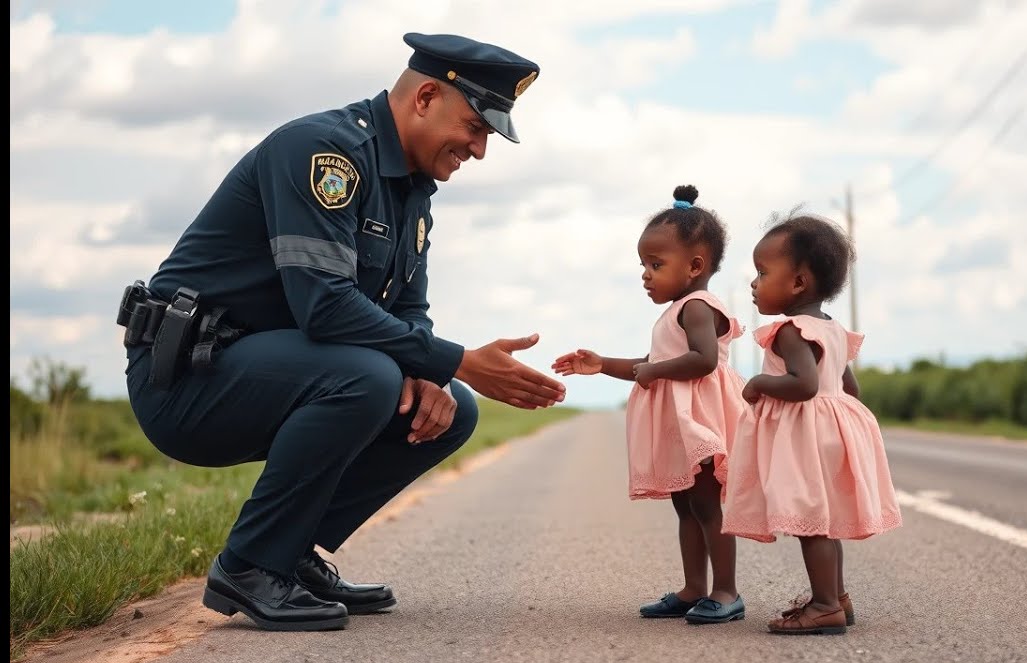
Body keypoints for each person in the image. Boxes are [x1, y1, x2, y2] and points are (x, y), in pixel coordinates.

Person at [116, 33, 566, 632]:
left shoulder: (411, 192)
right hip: (184, 382)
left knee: (450, 409)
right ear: (426, 96)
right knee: (370, 376)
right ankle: (249, 566)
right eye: (476, 128)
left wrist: (437, 372)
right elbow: (324, 308)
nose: (480, 151)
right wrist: (456, 359)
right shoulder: (323, 151)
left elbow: (410, 311)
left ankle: (290, 555)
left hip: (269, 376)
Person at [552, 185, 748, 625]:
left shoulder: (698, 307)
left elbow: (703, 360)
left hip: (699, 418)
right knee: (685, 504)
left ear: (695, 266)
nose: (645, 274)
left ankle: (726, 590)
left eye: (656, 265)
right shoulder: (678, 308)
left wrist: (656, 373)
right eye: (644, 264)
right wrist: (602, 365)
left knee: (706, 504)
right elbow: (651, 363)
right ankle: (694, 587)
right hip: (680, 422)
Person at [720, 213, 902, 635]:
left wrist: (762, 382)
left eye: (763, 272)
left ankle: (824, 607)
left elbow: (803, 384)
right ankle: (835, 597)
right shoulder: (832, 329)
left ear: (798, 283)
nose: (753, 282)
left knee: (810, 521)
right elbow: (847, 387)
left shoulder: (790, 330)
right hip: (829, 430)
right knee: (824, 519)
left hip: (805, 436)